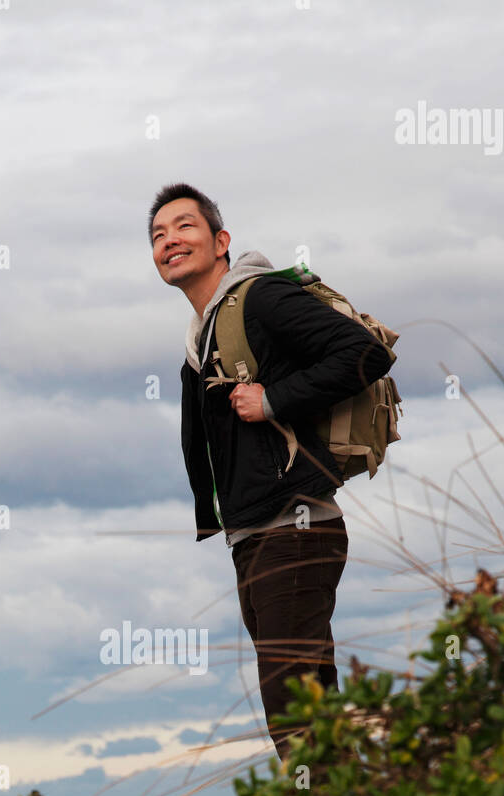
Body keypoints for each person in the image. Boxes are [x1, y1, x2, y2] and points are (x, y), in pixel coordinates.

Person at [149, 181, 392, 761]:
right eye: (158, 235)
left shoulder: (259, 299)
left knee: (293, 715)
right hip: (256, 536)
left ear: (220, 240)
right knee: (308, 705)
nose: (169, 241)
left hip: (296, 527)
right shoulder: (199, 343)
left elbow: (365, 354)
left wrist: (273, 400)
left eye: (184, 226)